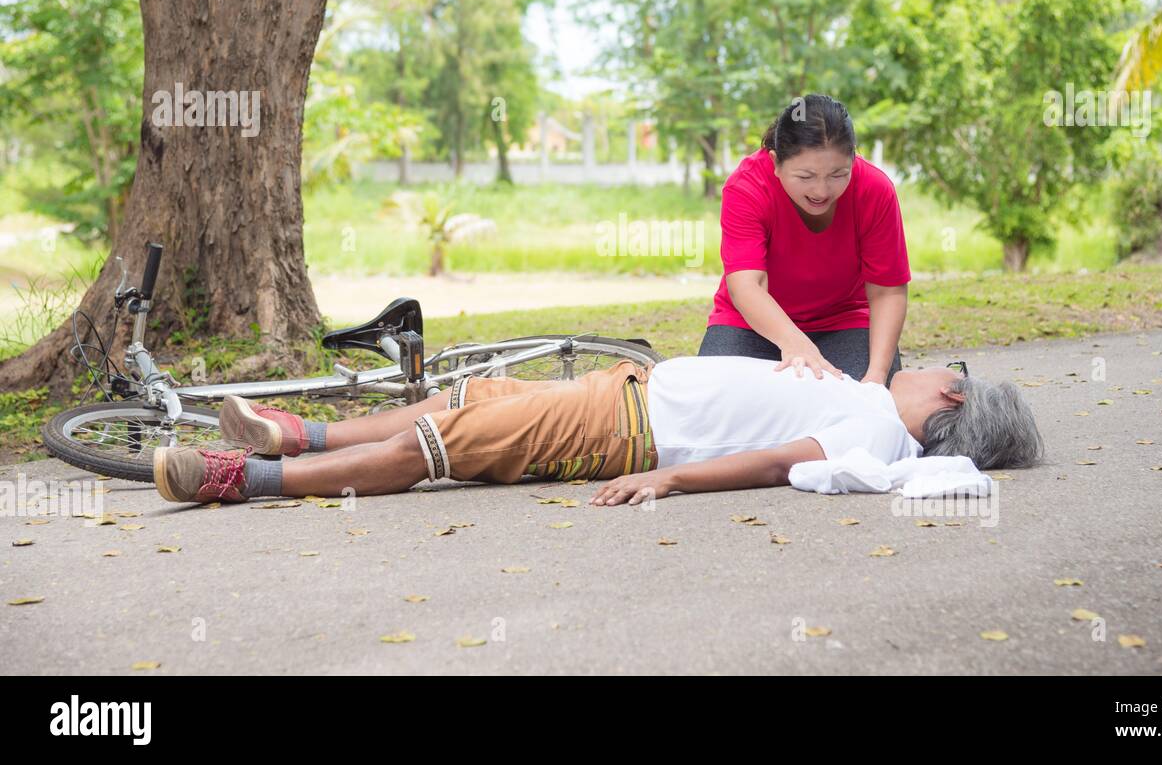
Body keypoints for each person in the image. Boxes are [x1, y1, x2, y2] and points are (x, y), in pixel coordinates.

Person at [153, 355, 1044, 507]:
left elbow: (781, 463)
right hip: (624, 387)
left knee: (446, 447)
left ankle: (240, 479)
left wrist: (670, 480)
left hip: (622, 428)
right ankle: (297, 432)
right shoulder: (865, 396)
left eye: (941, 371)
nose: (925, 365)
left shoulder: (880, 436)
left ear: (952, 399)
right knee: (458, 402)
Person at [700, 94, 911, 384]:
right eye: (805, 176)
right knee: (715, 399)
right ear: (776, 162)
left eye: (838, 174)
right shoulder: (747, 186)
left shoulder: (875, 189)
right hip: (751, 324)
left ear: (853, 157)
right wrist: (797, 344)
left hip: (844, 322)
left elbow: (887, 291)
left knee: (861, 405)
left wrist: (876, 377)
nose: (821, 191)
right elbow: (748, 286)